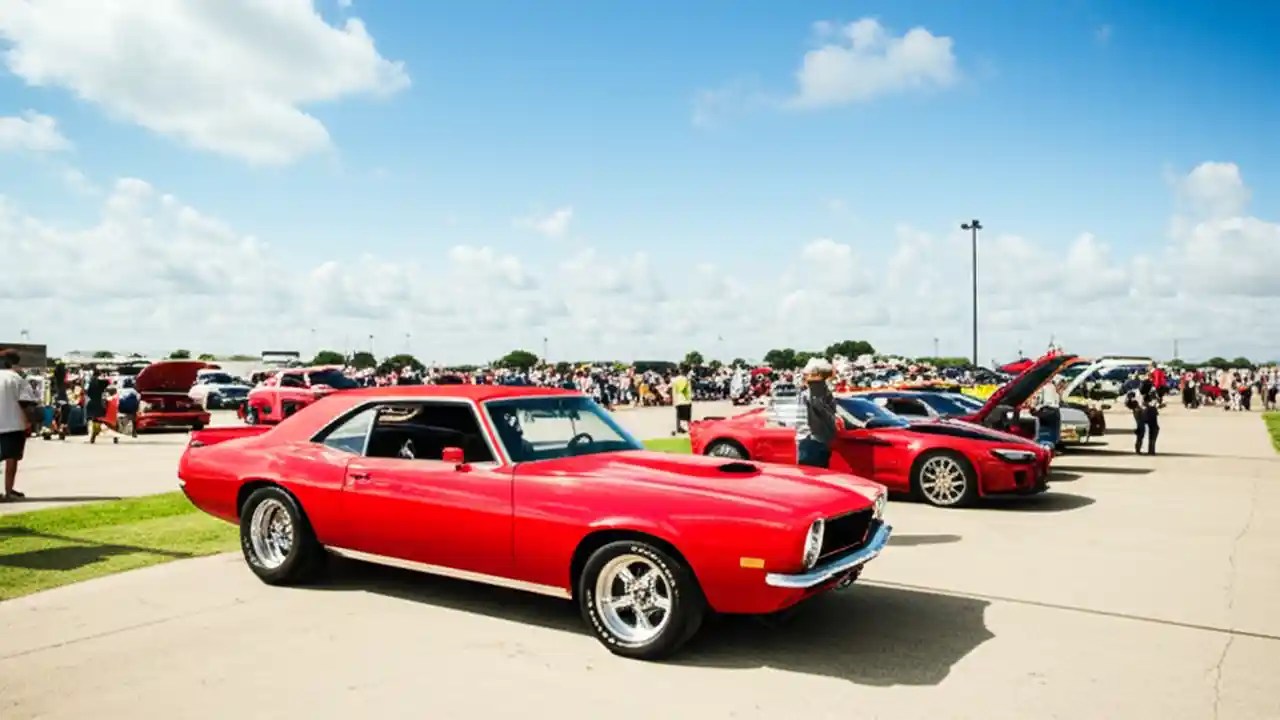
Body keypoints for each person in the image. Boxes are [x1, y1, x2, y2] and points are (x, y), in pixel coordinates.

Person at [0, 349, 38, 501]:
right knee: (11, 459)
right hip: (13, 424)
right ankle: (9, 491)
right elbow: (26, 403)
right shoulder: (17, 379)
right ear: (15, 362)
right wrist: (30, 421)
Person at [795, 357, 839, 468]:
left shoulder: (820, 393)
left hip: (817, 440)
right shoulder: (813, 393)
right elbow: (819, 408)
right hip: (811, 440)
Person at [670, 364, 693, 435]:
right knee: (688, 416)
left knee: (678, 416)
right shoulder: (687, 379)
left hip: (678, 400)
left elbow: (673, 391)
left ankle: (678, 428)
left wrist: (674, 402)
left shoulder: (675, 380)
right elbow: (688, 391)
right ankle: (689, 428)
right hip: (686, 400)